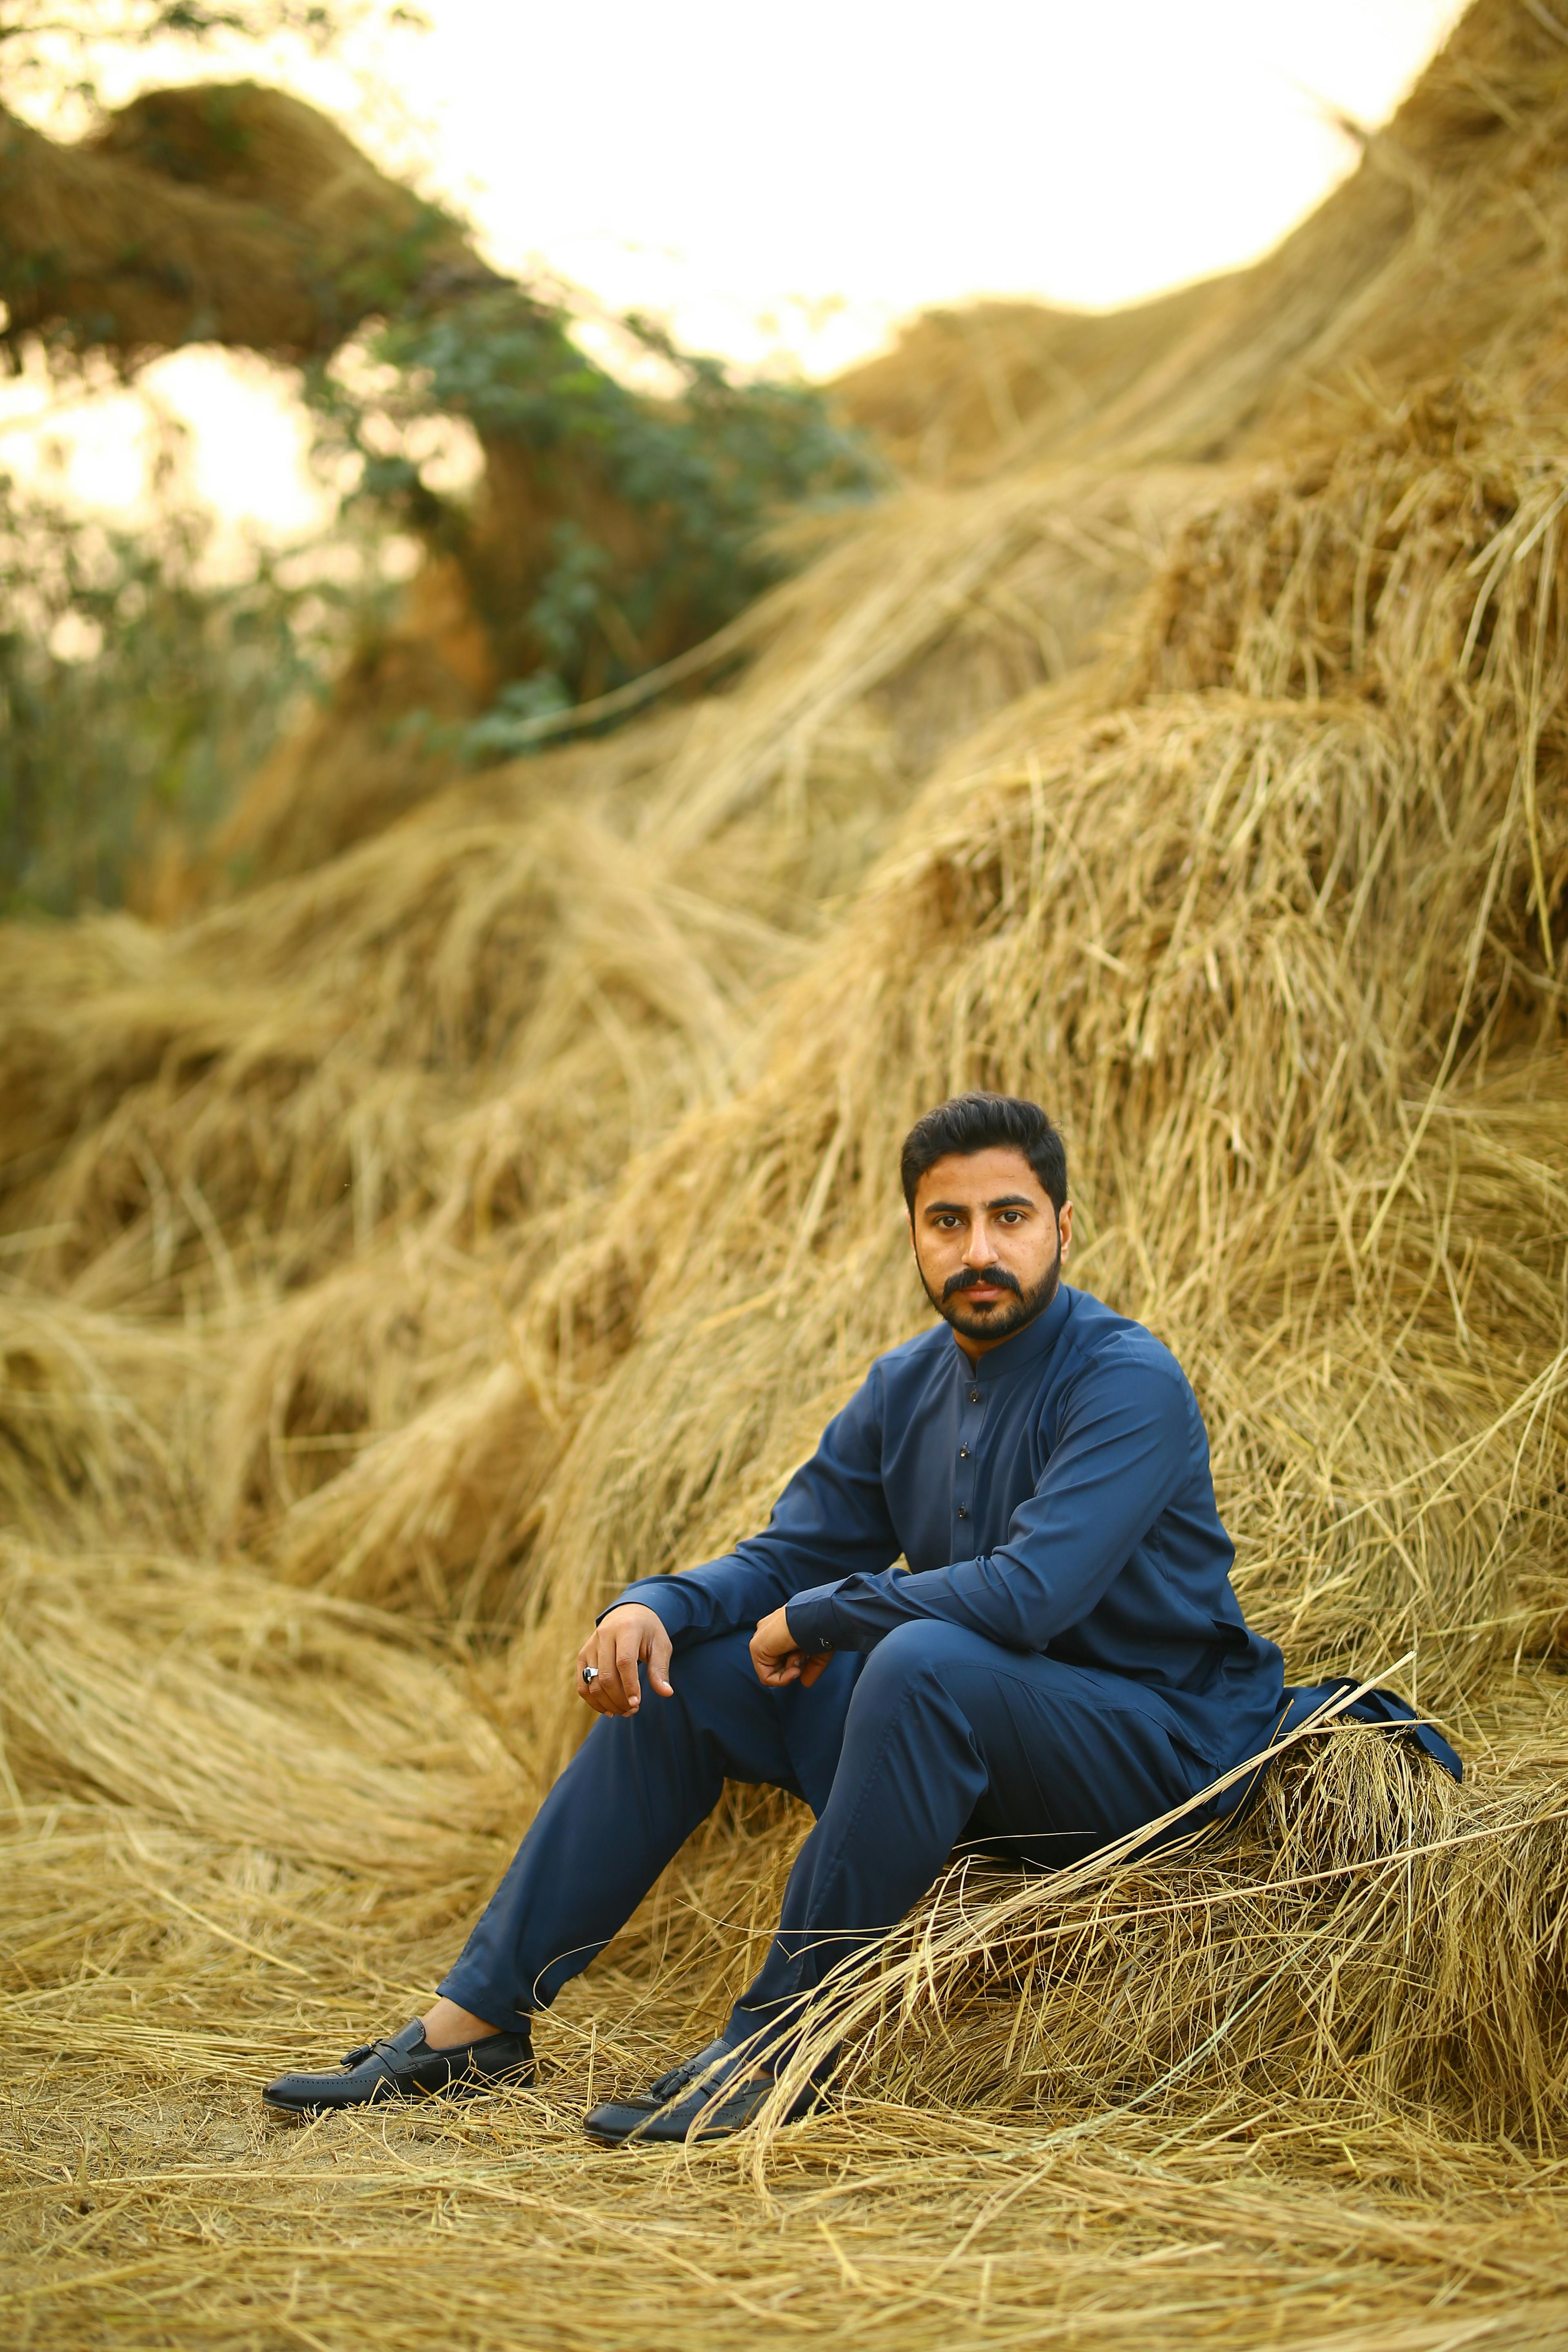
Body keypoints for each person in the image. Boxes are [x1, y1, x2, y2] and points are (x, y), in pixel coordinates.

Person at [262, 1091, 1296, 2140]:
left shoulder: (1126, 1380)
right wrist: (653, 1604)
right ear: (914, 1237)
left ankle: (778, 2048)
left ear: (1064, 1229)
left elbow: (1029, 1597)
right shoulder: (905, 1387)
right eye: (949, 1223)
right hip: (968, 1748)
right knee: (696, 1677)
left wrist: (822, 1616)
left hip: (1154, 1753)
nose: (980, 1250)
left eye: (1010, 1218)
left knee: (921, 1659)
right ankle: (475, 2023)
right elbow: (790, 1552)